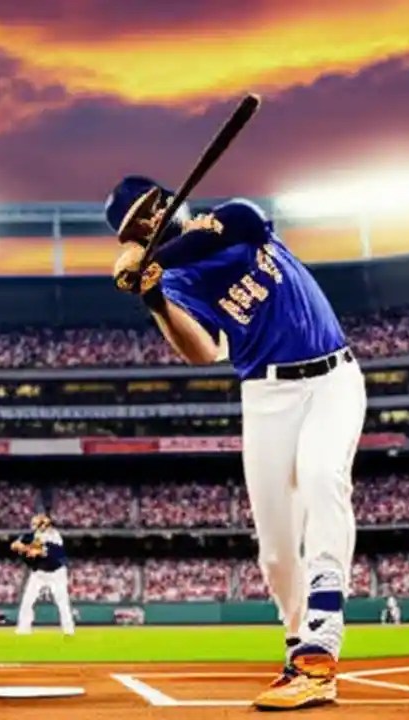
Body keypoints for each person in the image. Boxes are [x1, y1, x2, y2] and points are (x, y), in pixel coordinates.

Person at [106, 176, 366, 711]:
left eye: (153, 210)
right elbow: (202, 351)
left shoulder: (232, 218)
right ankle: (298, 645)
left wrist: (154, 259)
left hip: (331, 377)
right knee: (274, 552)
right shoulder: (175, 280)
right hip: (265, 393)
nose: (152, 221)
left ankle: (321, 648)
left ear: (167, 201)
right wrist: (152, 294)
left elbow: (240, 226)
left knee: (323, 478)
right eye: (139, 224)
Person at [11, 513, 75, 635]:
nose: (33, 526)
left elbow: (40, 551)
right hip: (39, 573)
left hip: (56, 573)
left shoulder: (54, 536)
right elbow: (15, 545)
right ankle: (23, 629)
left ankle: (68, 630)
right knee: (27, 600)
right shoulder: (33, 535)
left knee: (62, 602)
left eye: (36, 523)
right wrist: (22, 546)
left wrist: (25, 548)